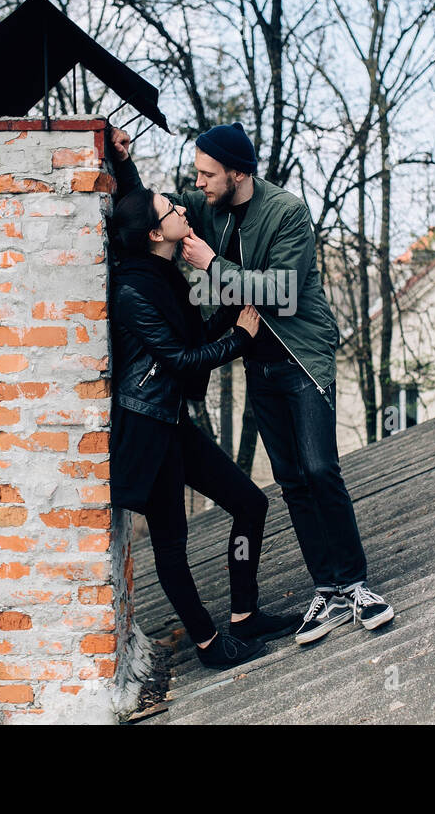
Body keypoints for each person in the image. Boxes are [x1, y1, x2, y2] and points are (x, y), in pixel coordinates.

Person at [108, 123, 395, 646]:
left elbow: (282, 290)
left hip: (299, 357)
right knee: (290, 481)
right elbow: (143, 213)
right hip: (258, 363)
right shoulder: (207, 207)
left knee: (320, 469)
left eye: (207, 174)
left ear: (238, 172)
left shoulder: (286, 212)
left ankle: (356, 584)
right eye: (196, 174)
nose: (197, 184)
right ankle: (327, 590)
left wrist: (213, 264)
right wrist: (122, 161)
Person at [107, 155, 301, 671]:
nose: (179, 205)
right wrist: (240, 336)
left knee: (250, 504)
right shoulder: (133, 290)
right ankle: (210, 646)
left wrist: (226, 317)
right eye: (169, 208)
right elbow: (178, 360)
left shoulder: (162, 272)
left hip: (169, 421)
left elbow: (189, 337)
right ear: (154, 233)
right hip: (147, 430)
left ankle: (244, 615)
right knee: (172, 544)